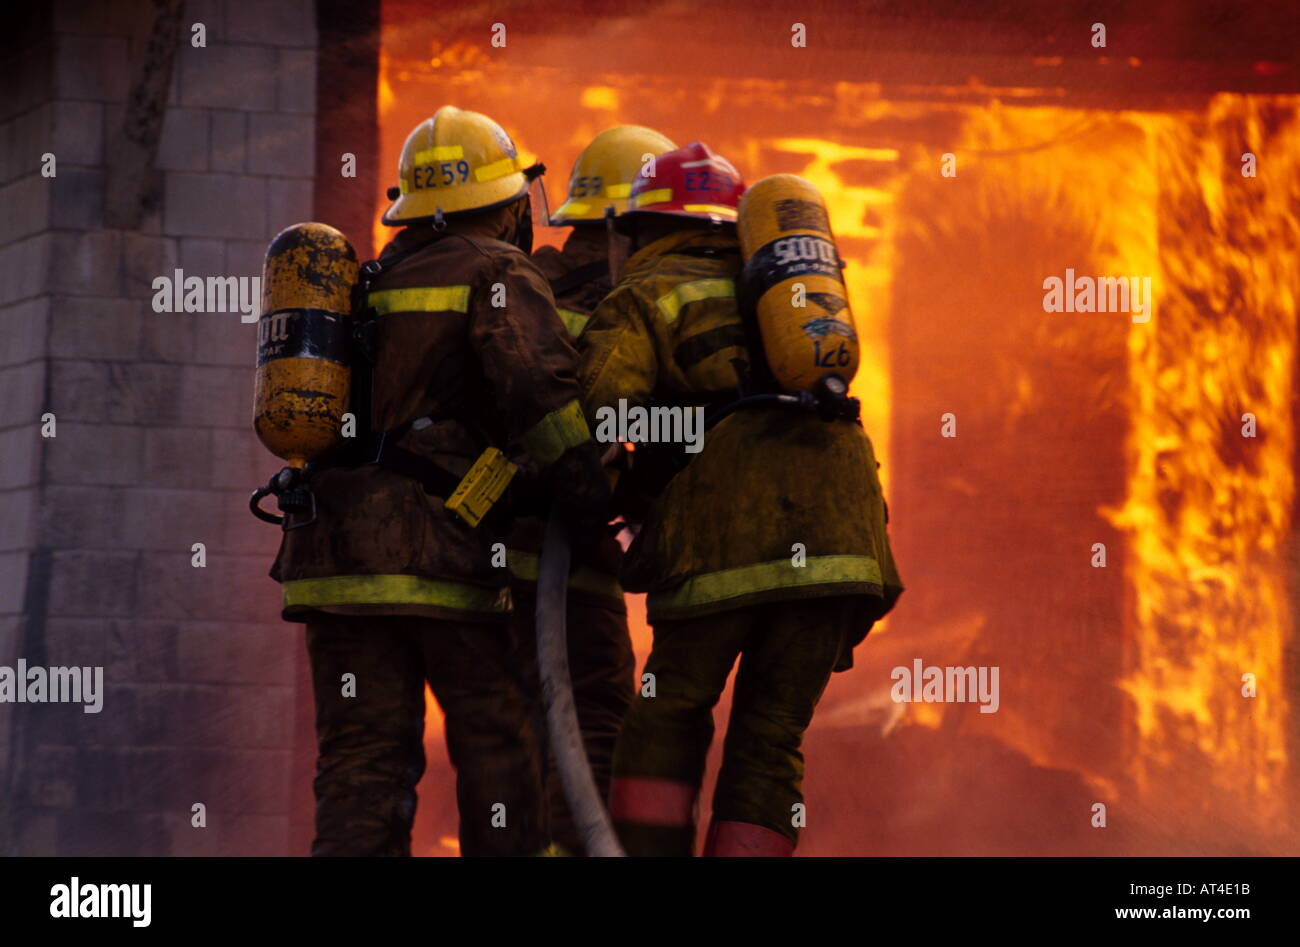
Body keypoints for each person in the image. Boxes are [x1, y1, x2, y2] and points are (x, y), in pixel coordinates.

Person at [270, 105, 608, 856]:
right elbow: (541, 395)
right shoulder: (496, 269)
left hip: (332, 564)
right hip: (442, 558)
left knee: (361, 764)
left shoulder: (369, 278)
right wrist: (587, 490)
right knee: (498, 744)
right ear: (505, 204)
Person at [578, 142, 903, 856]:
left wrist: (624, 467)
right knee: (771, 735)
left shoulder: (648, 289)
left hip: (728, 531)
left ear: (641, 230)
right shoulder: (787, 290)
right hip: (843, 535)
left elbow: (601, 411)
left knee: (667, 715)